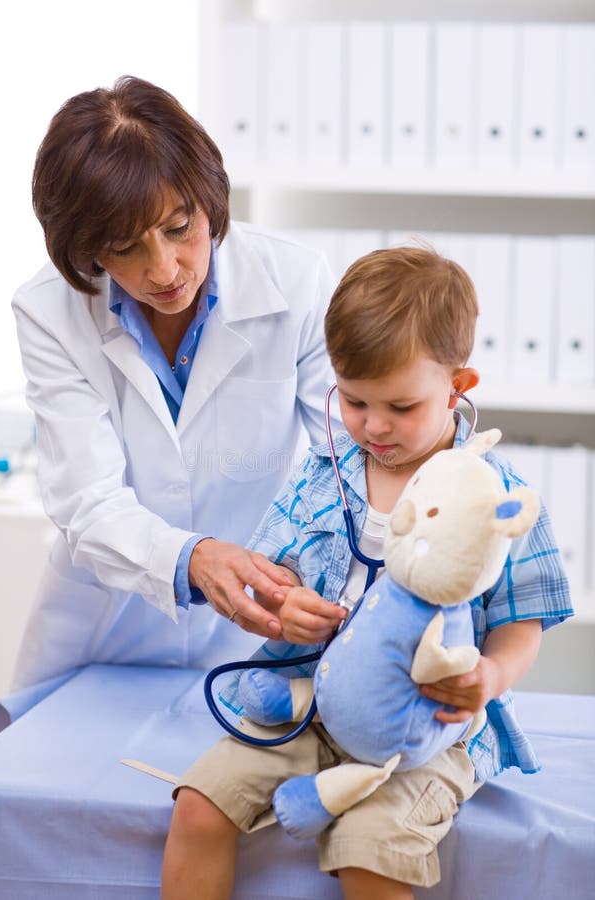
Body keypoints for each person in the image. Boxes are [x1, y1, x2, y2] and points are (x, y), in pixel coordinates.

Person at [162, 246, 572, 900]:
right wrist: (282, 604)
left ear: (458, 387)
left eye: (401, 407)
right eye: (353, 401)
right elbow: (266, 575)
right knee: (195, 806)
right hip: (308, 700)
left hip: (423, 733)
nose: (374, 427)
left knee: (369, 850)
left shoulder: (494, 497)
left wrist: (489, 676)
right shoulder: (323, 474)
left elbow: (524, 622)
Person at [11, 76, 339, 690]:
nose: (164, 270)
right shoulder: (49, 311)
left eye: (179, 227)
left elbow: (352, 459)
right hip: (102, 635)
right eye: (125, 247)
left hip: (255, 628)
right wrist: (192, 558)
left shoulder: (296, 283)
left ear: (209, 200)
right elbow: (88, 501)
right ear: (87, 252)